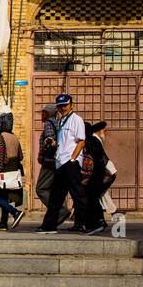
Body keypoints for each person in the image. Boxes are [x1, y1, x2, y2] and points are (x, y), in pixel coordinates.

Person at [38, 94, 89, 235]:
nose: (62, 108)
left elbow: (81, 141)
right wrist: (53, 144)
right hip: (60, 162)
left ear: (71, 105)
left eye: (65, 105)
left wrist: (73, 159)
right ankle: (49, 226)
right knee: (56, 196)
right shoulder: (61, 120)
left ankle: (88, 223)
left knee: (77, 194)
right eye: (60, 106)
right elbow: (63, 141)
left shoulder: (76, 120)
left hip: (70, 163)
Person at [0, 112, 26, 231]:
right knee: (4, 197)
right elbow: (20, 156)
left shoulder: (1, 137)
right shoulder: (14, 137)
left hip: (3, 171)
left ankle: (15, 213)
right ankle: (3, 223)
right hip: (13, 172)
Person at [36, 102, 70, 226]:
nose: (41, 114)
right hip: (58, 162)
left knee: (41, 189)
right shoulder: (58, 123)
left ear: (48, 113)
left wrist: (43, 153)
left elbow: (50, 141)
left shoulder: (49, 124)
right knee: (54, 189)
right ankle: (56, 213)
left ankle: (60, 210)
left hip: (49, 163)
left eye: (43, 112)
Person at [81, 121, 113, 234]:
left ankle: (96, 223)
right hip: (98, 175)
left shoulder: (89, 142)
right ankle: (98, 222)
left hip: (94, 176)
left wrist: (85, 177)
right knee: (93, 198)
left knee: (91, 199)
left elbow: (89, 161)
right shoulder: (93, 140)